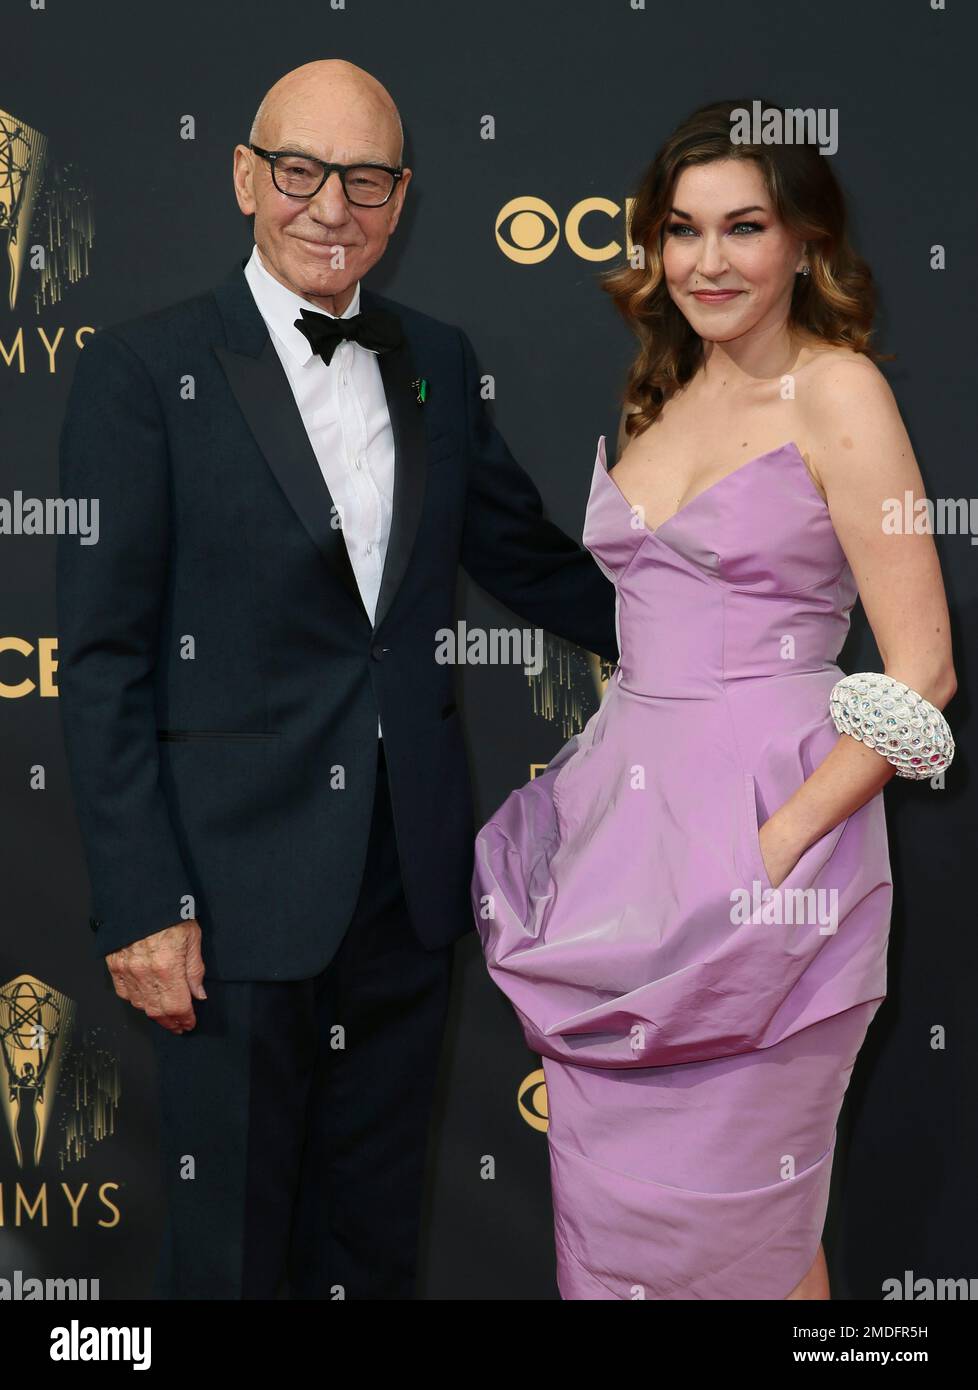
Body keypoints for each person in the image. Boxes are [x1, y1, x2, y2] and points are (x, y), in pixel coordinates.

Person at [55, 58, 618, 1299]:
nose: (330, 206)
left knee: (370, 1244)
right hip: (224, 896)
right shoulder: (145, 373)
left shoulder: (440, 360)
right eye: (301, 171)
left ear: (402, 197)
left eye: (364, 179)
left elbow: (533, 563)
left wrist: (734, 632)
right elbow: (97, 663)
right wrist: (143, 899)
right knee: (233, 1256)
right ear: (246, 175)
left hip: (404, 885)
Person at [472, 97, 957, 1301]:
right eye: (681, 231)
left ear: (805, 242)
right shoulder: (661, 394)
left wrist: (775, 842)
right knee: (620, 1231)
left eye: (744, 226)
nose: (707, 259)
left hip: (770, 861)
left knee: (748, 1225)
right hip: (623, 855)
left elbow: (923, 672)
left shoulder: (840, 393)